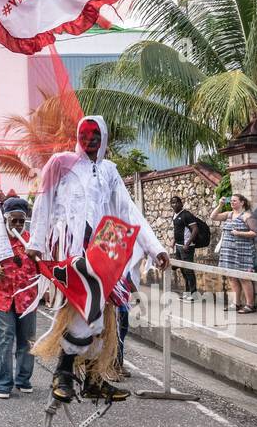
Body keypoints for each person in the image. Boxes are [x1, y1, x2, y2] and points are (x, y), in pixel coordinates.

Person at [28, 116, 169, 404]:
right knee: (84, 308)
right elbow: (43, 201)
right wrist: (36, 243)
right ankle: (64, 373)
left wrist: (155, 248)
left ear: (103, 138)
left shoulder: (109, 171)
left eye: (95, 135)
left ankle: (92, 378)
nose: (90, 139)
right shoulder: (61, 163)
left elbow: (128, 210)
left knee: (105, 317)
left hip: (104, 251)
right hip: (73, 250)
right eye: (85, 133)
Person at [0, 197, 38, 398]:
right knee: (4, 339)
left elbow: (42, 266)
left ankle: (23, 379)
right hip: (3, 297)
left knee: (27, 340)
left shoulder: (32, 241)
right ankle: (3, 383)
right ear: (5, 219)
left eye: (21, 221)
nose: (17, 224)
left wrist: (37, 257)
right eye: (13, 220)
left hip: (27, 298)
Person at [210, 194, 257, 312]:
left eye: (235, 201)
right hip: (229, 251)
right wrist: (220, 204)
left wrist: (239, 233)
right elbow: (213, 217)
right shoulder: (229, 214)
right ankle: (236, 303)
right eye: (231, 201)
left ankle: (250, 305)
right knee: (232, 277)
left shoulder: (246, 216)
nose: (232, 203)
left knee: (244, 278)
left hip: (243, 251)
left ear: (242, 202)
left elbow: (255, 232)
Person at [170, 196, 205, 300]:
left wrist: (188, 243)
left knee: (188, 270)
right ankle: (187, 292)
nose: (174, 205)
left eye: (176, 202)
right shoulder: (175, 215)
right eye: (172, 203)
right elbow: (178, 230)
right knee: (183, 269)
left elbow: (195, 229)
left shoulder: (187, 215)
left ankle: (193, 294)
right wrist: (174, 241)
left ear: (181, 203)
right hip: (179, 246)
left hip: (187, 247)